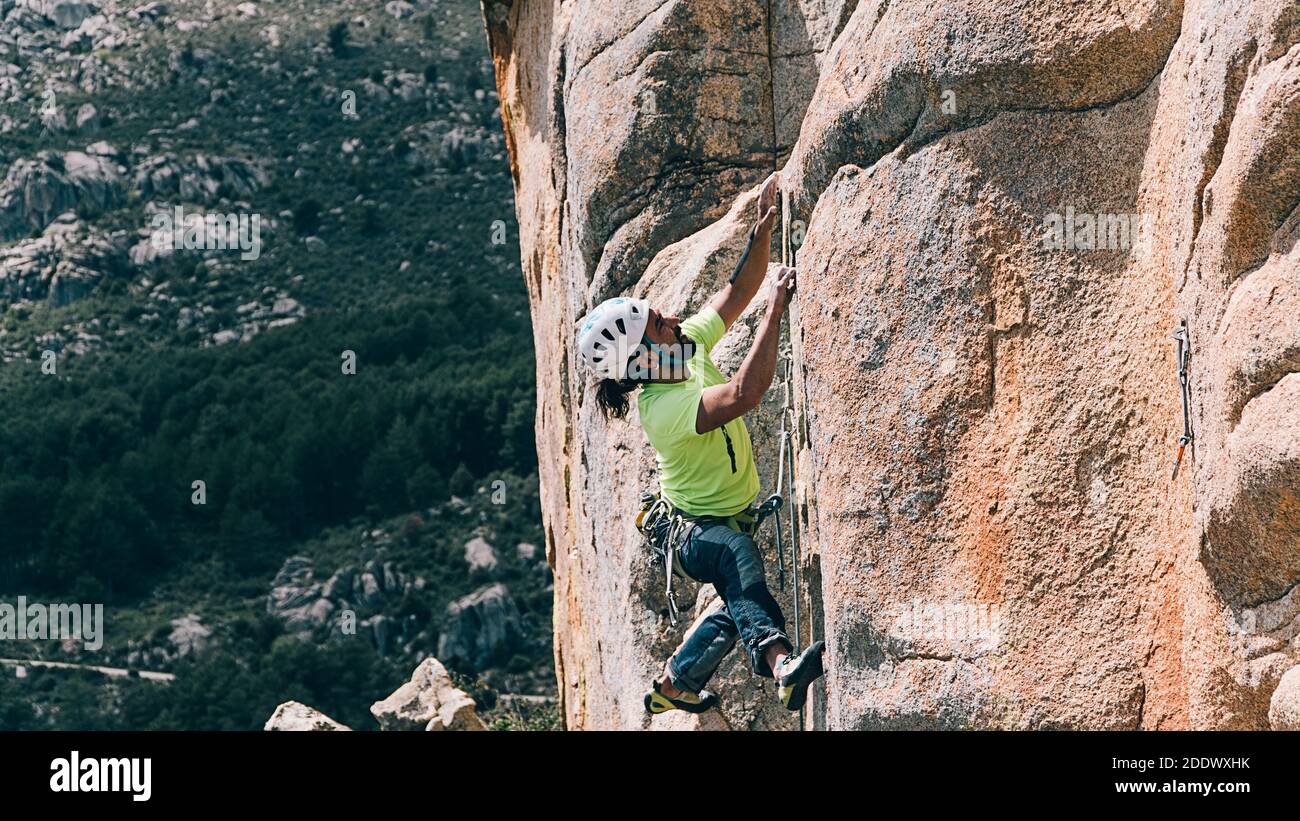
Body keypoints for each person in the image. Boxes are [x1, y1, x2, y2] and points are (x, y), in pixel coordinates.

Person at [575, 173, 825, 715]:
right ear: (640, 360)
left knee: (735, 602)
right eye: (657, 323)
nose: (669, 316)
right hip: (695, 533)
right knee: (737, 560)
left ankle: (676, 684)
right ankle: (780, 663)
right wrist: (777, 311)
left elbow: (735, 293)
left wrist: (762, 231)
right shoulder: (662, 411)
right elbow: (742, 394)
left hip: (718, 516)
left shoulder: (681, 349)